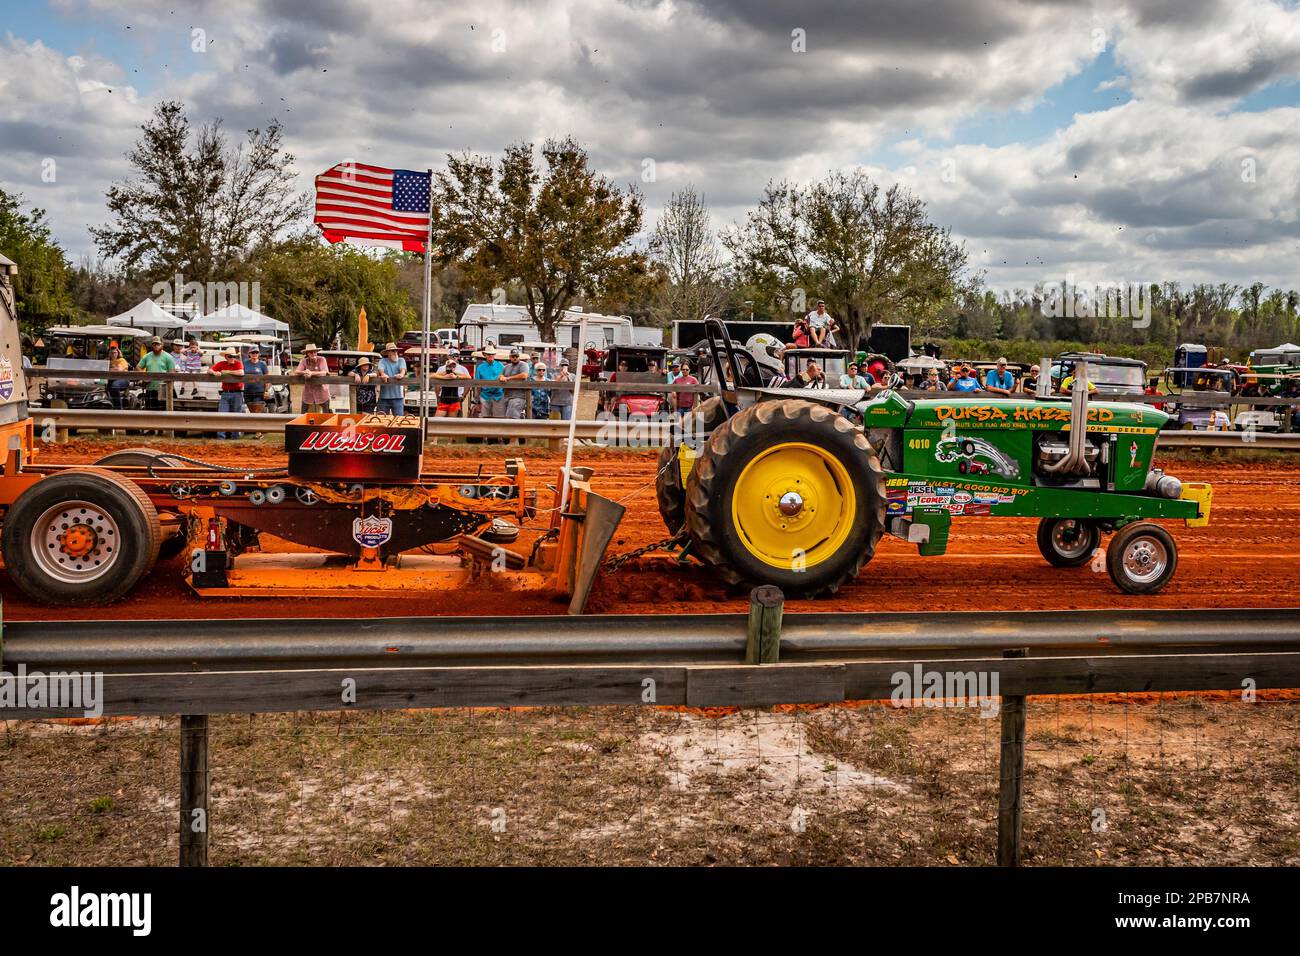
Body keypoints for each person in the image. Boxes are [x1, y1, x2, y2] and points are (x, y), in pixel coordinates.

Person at [208, 346, 245, 439]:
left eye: (234, 356)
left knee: (237, 415)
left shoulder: (238, 364)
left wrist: (226, 372)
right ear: (226, 357)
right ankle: (221, 437)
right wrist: (214, 373)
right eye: (230, 356)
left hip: (237, 393)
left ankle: (235, 437)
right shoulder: (221, 364)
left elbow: (241, 373)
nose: (232, 358)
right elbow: (209, 370)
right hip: (225, 393)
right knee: (222, 415)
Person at [137, 336, 176, 411]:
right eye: (154, 344)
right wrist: (145, 377)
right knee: (149, 412)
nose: (156, 346)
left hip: (164, 390)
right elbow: (138, 367)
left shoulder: (168, 357)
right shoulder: (147, 356)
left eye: (158, 344)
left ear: (162, 344)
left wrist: (167, 385)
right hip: (150, 389)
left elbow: (172, 373)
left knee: (164, 412)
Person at [294, 343, 331, 413]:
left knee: (326, 413)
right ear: (307, 353)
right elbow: (296, 371)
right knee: (303, 412)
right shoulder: (304, 361)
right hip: (308, 391)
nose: (313, 353)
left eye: (315, 352)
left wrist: (311, 373)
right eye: (311, 352)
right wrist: (305, 372)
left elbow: (325, 372)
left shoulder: (322, 359)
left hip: (322, 390)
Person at [431, 352, 471, 417]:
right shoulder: (443, 372)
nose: (451, 367)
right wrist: (444, 377)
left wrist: (456, 376)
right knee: (437, 419)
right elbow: (432, 376)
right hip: (444, 399)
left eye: (453, 366)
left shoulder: (457, 373)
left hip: (454, 399)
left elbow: (469, 377)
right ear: (446, 366)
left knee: (452, 421)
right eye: (449, 366)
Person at [475, 346, 507, 421]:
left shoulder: (501, 366)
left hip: (498, 395)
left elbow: (506, 378)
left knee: (499, 418)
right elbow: (477, 383)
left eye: (492, 354)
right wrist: (479, 398)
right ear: (485, 355)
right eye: (489, 354)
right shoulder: (480, 367)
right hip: (485, 395)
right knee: (485, 418)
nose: (491, 356)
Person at [376, 342, 408, 416]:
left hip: (398, 396)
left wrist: (401, 375)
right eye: (392, 351)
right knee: (381, 419)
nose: (395, 352)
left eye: (396, 350)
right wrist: (383, 375)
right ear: (387, 352)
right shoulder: (383, 361)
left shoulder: (401, 360)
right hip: (384, 396)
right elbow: (381, 371)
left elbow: (402, 370)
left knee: (399, 420)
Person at [501, 347, 531, 421]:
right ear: (510, 357)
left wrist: (508, 378)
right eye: (513, 356)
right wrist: (501, 377)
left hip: (519, 396)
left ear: (519, 357)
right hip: (507, 395)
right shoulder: (506, 367)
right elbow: (501, 375)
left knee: (512, 418)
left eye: (516, 356)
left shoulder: (523, 365)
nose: (515, 358)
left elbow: (524, 375)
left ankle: (513, 432)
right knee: (507, 417)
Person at [243, 346, 269, 413]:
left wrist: (266, 390)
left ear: (259, 354)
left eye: (256, 352)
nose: (254, 354)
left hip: (259, 391)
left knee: (257, 411)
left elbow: (267, 378)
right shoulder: (245, 363)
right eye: (252, 352)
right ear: (249, 354)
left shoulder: (262, 364)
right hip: (247, 391)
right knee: (250, 411)